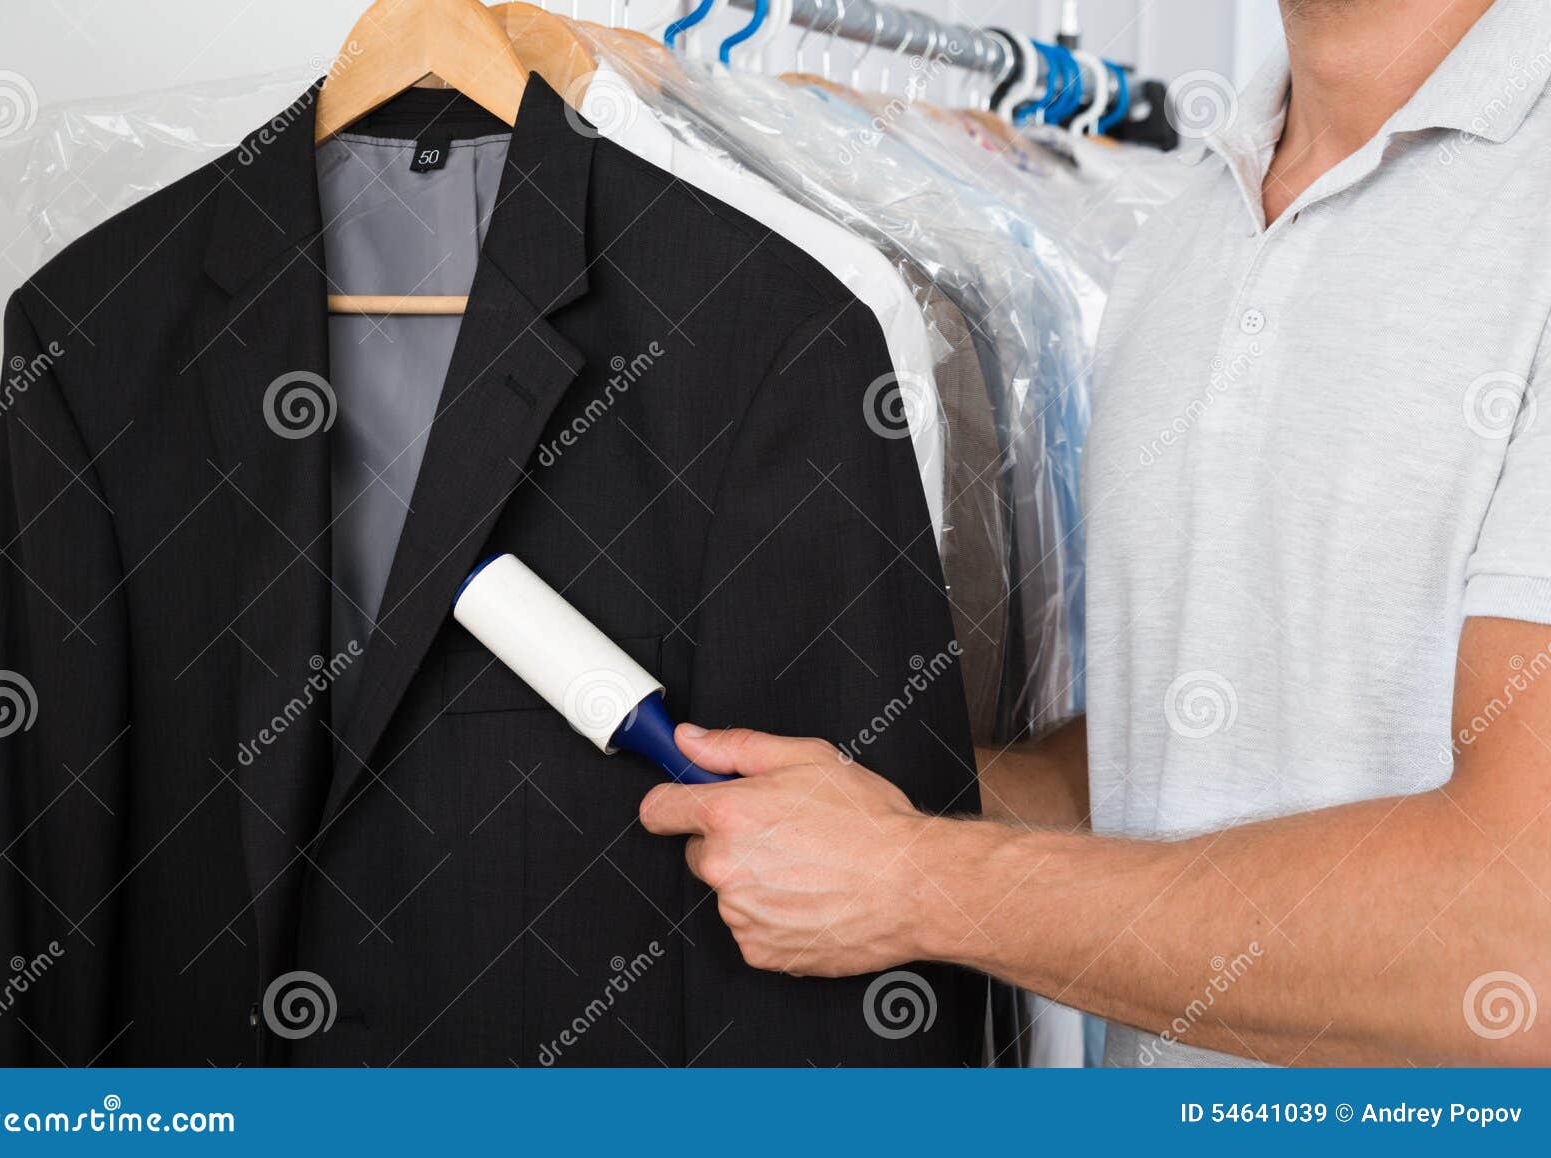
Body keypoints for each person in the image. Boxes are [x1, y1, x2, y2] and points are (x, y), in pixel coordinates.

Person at [639, 0, 1551, 1066]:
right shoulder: (1190, 225)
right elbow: (1153, 784)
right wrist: (860, 801)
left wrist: (915, 880)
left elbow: (1519, 927)